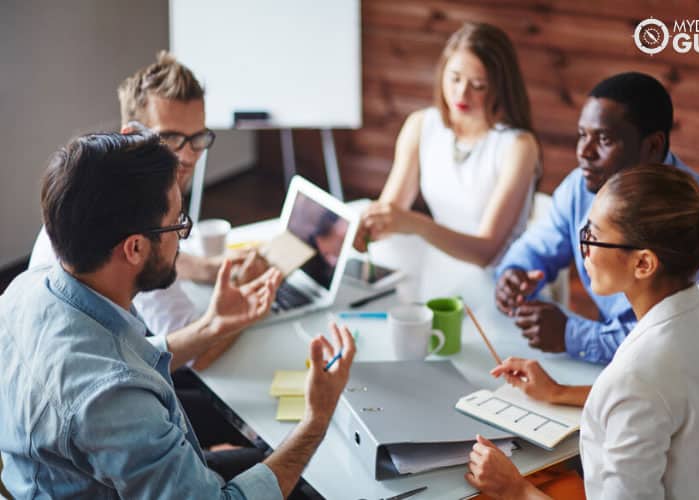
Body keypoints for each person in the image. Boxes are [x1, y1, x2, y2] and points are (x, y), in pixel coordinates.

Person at [0, 132, 356, 499]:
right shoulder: (112, 400)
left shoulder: (24, 291)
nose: (182, 237)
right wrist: (316, 419)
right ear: (134, 248)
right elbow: (113, 385)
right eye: (177, 223)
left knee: (260, 455)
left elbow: (115, 358)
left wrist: (213, 326)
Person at [467, 163, 699, 499]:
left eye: (594, 236)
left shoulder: (638, 378)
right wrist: (558, 392)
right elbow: (663, 404)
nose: (583, 247)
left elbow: (641, 394)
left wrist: (515, 489)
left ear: (643, 263)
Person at [495, 72, 699, 364]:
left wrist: (573, 335)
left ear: (652, 146)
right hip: (628, 368)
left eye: (603, 138)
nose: (584, 152)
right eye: (582, 135)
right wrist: (515, 273)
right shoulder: (581, 186)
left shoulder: (697, 219)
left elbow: (684, 344)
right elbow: (539, 245)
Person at [29, 51, 267, 341]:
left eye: (198, 138)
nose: (188, 156)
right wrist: (247, 303)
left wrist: (209, 269)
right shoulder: (136, 214)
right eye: (170, 138)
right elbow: (190, 347)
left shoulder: (95, 185)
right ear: (132, 134)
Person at [355, 22, 540, 267]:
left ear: (500, 87)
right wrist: (361, 230)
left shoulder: (519, 146)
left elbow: (485, 252)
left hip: (501, 279)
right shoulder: (421, 125)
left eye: (478, 86)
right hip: (441, 266)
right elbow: (391, 214)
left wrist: (415, 224)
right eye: (454, 79)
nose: (462, 94)